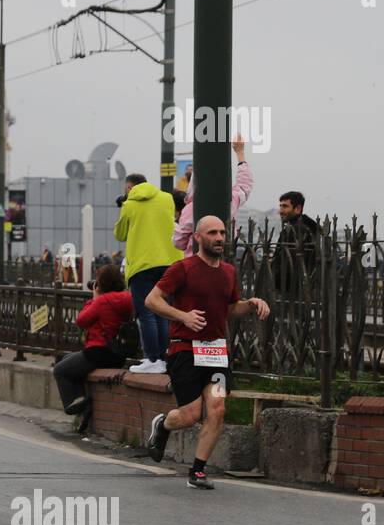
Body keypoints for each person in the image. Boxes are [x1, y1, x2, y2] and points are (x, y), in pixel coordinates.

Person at [144, 215, 270, 488]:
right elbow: (151, 300)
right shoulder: (183, 268)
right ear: (198, 238)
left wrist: (250, 303)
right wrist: (183, 316)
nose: (219, 238)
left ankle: (197, 471)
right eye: (212, 233)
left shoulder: (228, 272)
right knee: (189, 415)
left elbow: (231, 308)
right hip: (184, 350)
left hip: (215, 353)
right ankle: (163, 424)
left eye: (222, 232)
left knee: (217, 409)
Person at [114, 172, 182, 374]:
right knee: (162, 310)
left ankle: (152, 358)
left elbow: (120, 234)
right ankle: (163, 357)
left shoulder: (129, 204)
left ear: (129, 189)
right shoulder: (167, 198)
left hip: (143, 264)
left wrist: (124, 207)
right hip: (169, 262)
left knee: (146, 313)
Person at [52, 264, 132, 417]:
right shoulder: (127, 298)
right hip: (117, 353)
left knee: (60, 370)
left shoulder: (102, 301)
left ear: (102, 283)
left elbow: (81, 320)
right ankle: (81, 400)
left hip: (99, 352)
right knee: (67, 359)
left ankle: (73, 404)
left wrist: (94, 299)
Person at [174, 135, 253, 256]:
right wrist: (240, 154)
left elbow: (179, 242)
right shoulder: (230, 200)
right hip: (224, 260)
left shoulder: (191, 209)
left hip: (196, 263)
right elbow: (244, 185)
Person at [273, 189, 321, 290]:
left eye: (285, 206)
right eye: (280, 206)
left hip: (292, 291)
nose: (281, 211)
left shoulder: (296, 230)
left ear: (298, 208)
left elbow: (289, 264)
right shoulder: (307, 227)